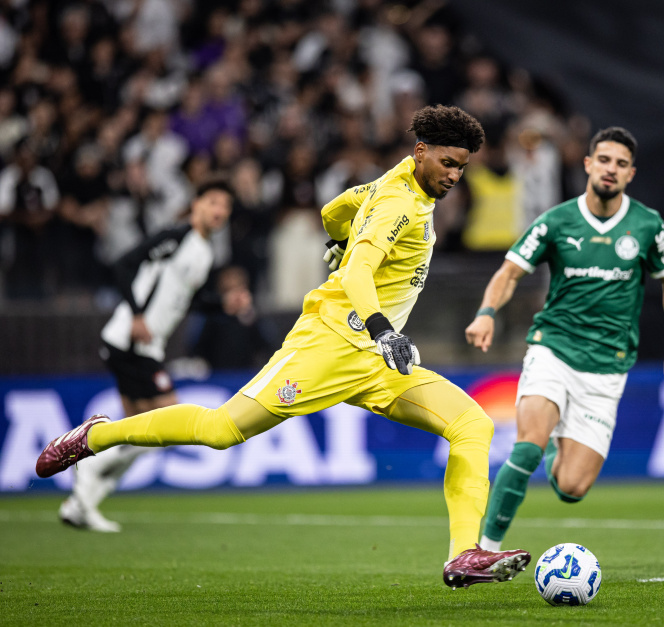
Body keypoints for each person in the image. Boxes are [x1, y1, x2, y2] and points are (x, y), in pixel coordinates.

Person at [38, 105, 531, 589]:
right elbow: (358, 271)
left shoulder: (393, 184)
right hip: (333, 343)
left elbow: (333, 210)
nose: (454, 176)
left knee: (472, 423)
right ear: (421, 152)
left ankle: (464, 554)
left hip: (375, 360)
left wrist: (340, 239)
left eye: (462, 168)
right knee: (221, 429)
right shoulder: (398, 204)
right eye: (447, 163)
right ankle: (97, 436)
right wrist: (381, 325)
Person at [464, 127, 664, 551]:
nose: (611, 169)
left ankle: (557, 442)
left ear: (631, 174)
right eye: (604, 160)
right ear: (588, 165)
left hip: (608, 364)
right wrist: (486, 313)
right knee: (527, 447)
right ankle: (483, 552)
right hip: (554, 347)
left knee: (571, 488)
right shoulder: (557, 221)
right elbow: (510, 271)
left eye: (621, 164)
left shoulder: (646, 225)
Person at [58, 179, 234, 532]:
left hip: (143, 347)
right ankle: (89, 468)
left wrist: (223, 304)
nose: (219, 211)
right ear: (196, 203)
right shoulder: (176, 236)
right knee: (165, 424)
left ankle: (82, 503)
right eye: (213, 202)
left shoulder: (204, 252)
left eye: (225, 206)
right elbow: (125, 263)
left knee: (137, 432)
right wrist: (137, 314)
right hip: (130, 341)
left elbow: (188, 300)